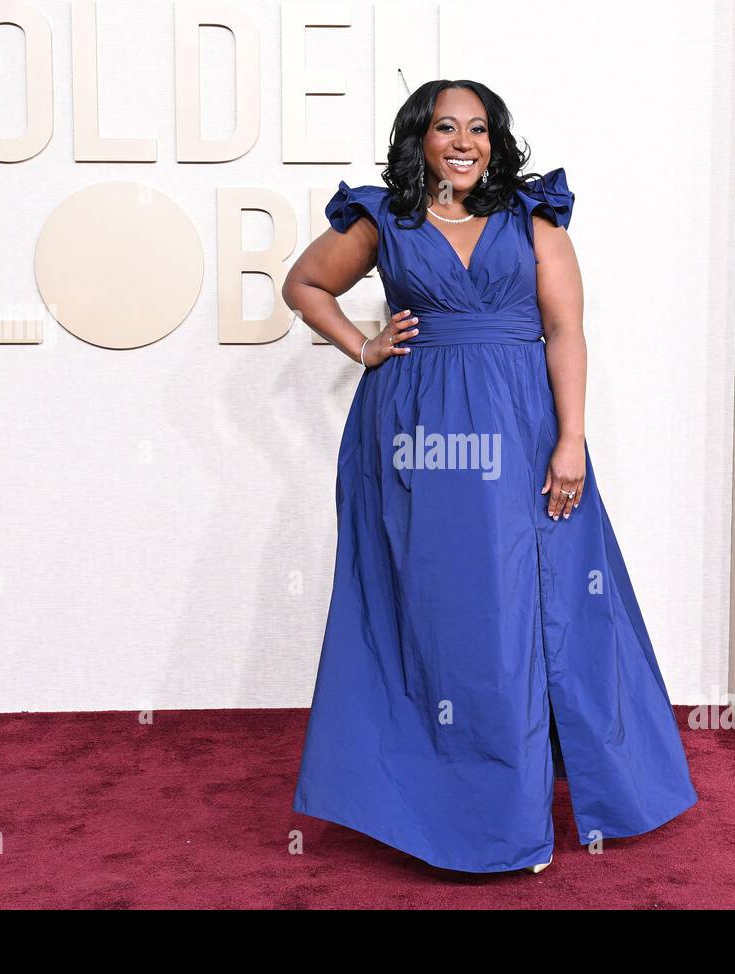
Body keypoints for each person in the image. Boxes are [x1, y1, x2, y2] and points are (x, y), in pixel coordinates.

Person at [283, 79, 697, 875]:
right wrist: (362, 347)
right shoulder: (386, 218)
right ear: (421, 138)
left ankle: (517, 813)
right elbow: (304, 284)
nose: (463, 142)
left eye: (478, 128)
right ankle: (444, 809)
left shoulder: (534, 218)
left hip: (523, 431)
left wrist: (572, 437)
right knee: (441, 617)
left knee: (524, 614)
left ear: (496, 141)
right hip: (411, 442)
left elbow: (566, 330)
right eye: (446, 127)